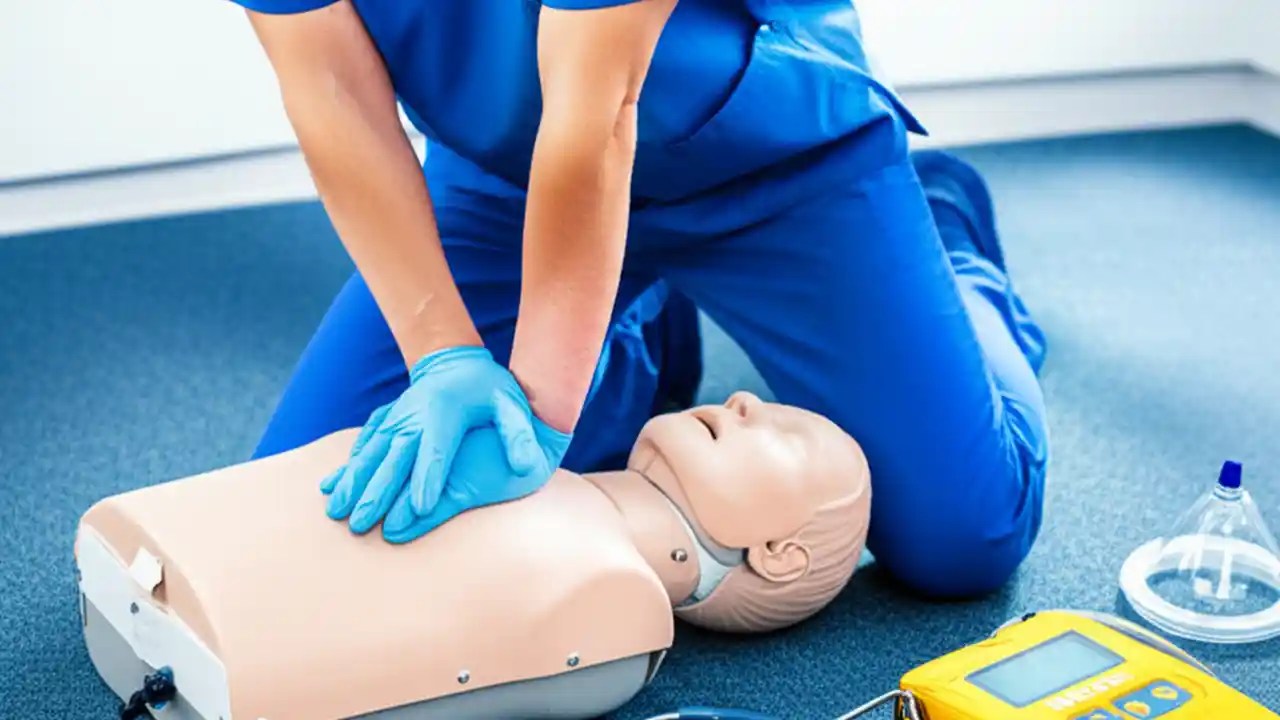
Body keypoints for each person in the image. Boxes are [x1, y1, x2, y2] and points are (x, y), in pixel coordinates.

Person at [235, 0, 1048, 598]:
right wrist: (441, 355)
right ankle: (635, 335)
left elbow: (595, 114)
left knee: (964, 542)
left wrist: (544, 411)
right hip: (506, 181)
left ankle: (951, 248)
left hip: (777, 161)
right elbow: (330, 89)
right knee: (311, 514)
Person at [77, 394, 871, 719]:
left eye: (785, 433)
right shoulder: (548, 479)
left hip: (216, 634)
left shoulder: (617, 601)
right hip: (158, 551)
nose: (743, 400)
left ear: (777, 556)